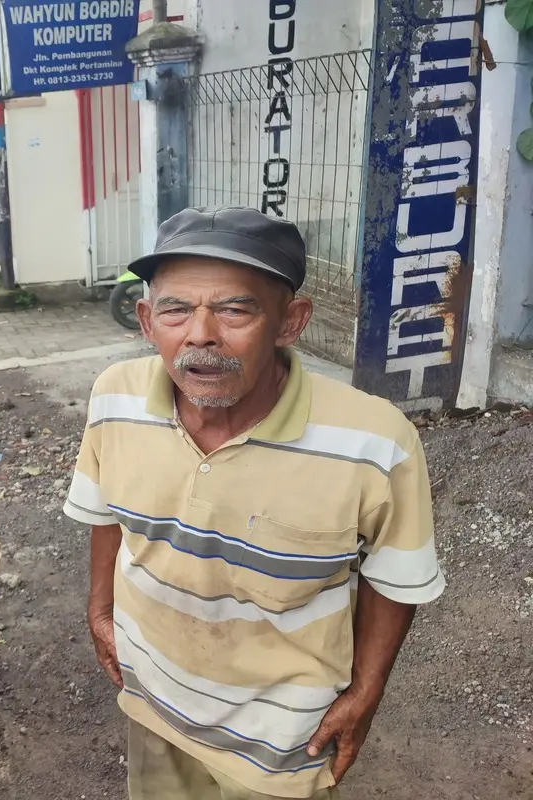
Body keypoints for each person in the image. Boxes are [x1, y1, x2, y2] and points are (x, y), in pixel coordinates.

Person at [64, 206, 444, 800]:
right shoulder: (115, 396)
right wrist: (99, 612)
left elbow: (398, 578)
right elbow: (106, 515)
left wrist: (366, 692)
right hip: (153, 704)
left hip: (285, 744)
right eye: (174, 309)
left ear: (290, 322)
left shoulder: (376, 442)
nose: (200, 334)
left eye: (234, 308)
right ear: (145, 319)